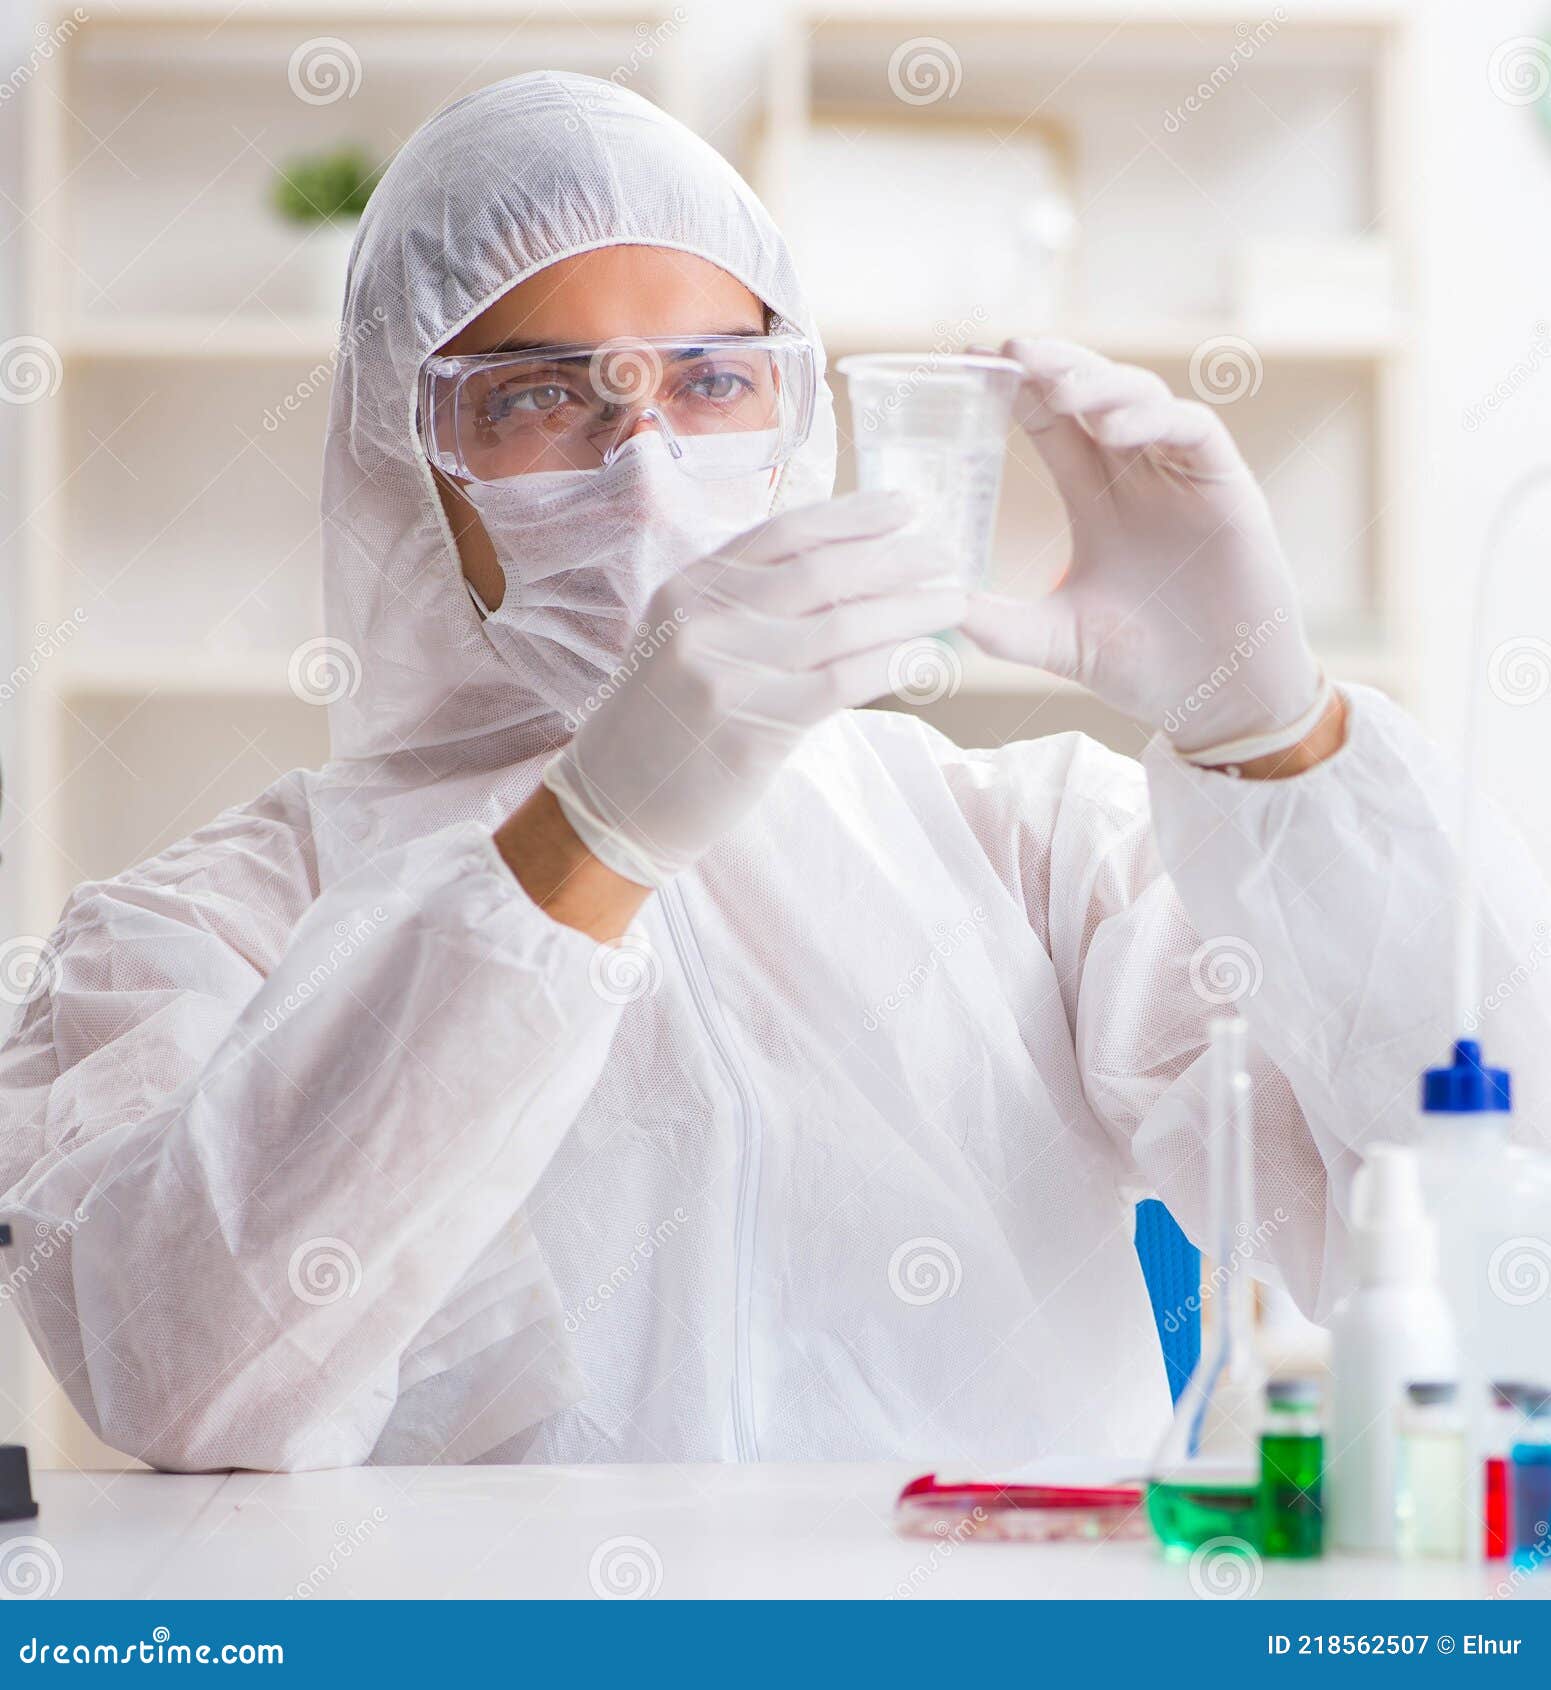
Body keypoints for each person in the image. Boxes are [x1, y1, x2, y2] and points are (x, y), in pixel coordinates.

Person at [0, 71, 1545, 1473]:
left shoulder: (1031, 845)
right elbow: (182, 1380)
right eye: (540, 397)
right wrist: (585, 843)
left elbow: (1469, 1242)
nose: (648, 461)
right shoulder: (202, 928)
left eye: (711, 382)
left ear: (795, 407)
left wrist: (1273, 741)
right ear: (405, 459)